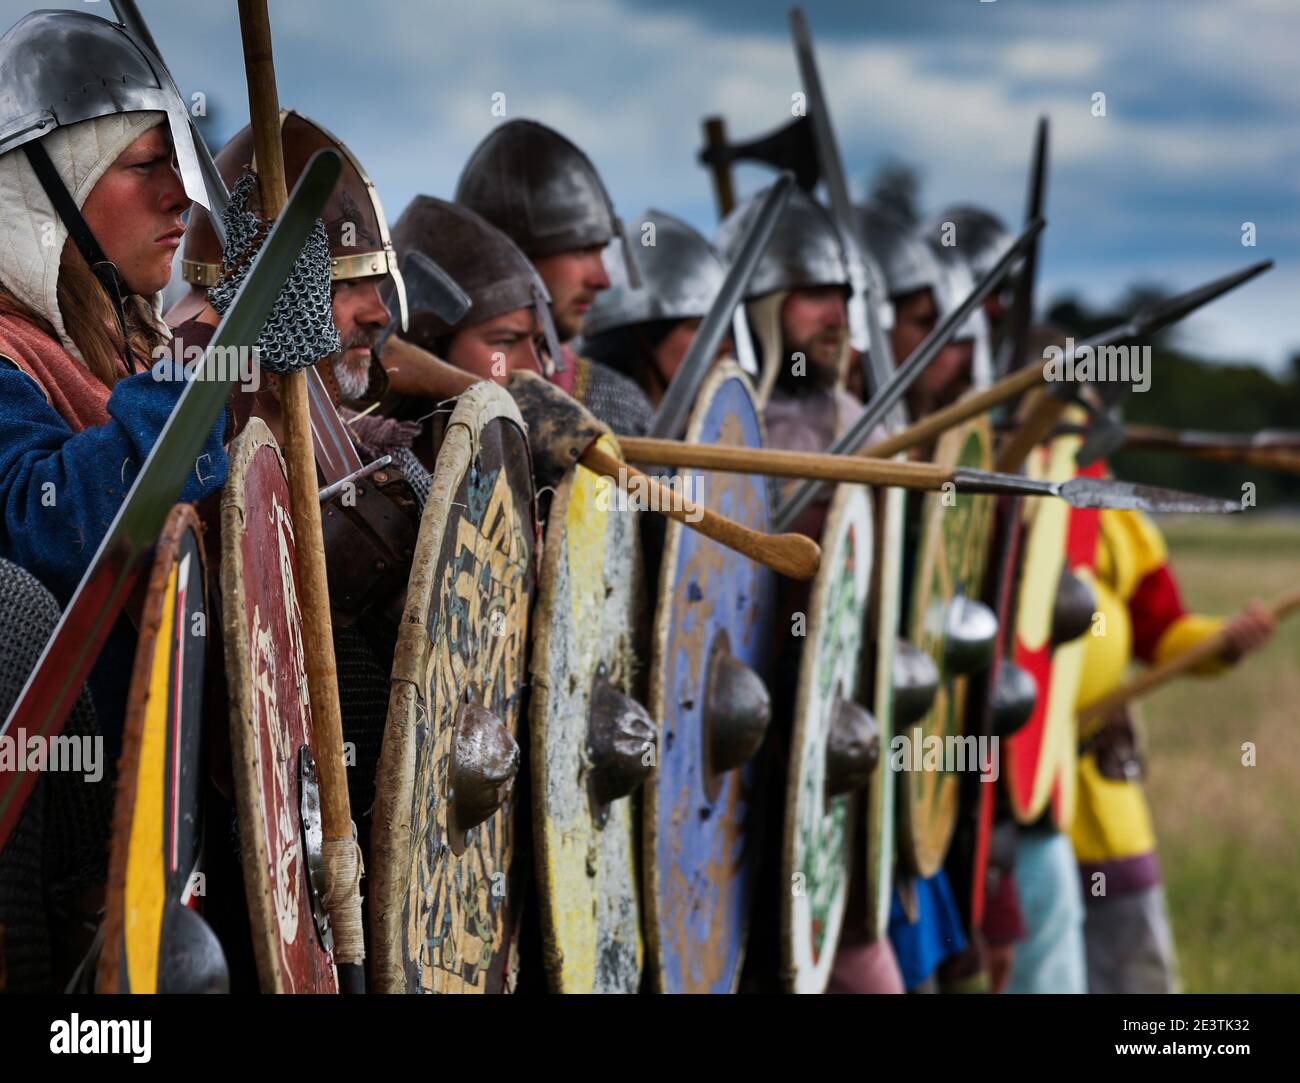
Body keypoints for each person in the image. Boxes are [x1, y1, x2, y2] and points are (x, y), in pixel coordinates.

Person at [0, 11, 228, 747]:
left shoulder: (126, 342)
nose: (181, 197)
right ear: (45, 197)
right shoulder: (8, 355)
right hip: (73, 810)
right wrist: (205, 355)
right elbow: (44, 529)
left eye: (178, 165)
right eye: (143, 165)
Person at [1070, 508, 1275, 993]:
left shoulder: (1111, 514)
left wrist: (1222, 641)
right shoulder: (986, 490)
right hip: (999, 800)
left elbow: (1162, 631)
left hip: (1097, 804)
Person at [454, 119, 653, 436]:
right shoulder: (430, 414)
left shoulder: (619, 406)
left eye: (600, 252)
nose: (603, 279)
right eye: (581, 251)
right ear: (516, 255)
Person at [579, 208, 730, 408]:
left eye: (725, 329)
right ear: (643, 339)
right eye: (698, 327)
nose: (726, 344)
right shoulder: (602, 424)